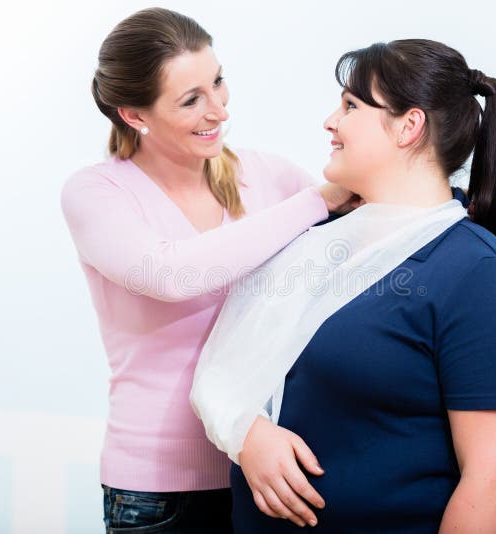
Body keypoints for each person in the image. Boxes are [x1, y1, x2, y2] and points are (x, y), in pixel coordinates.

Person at [191, 39, 496, 533]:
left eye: (351, 106)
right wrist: (248, 433)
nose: (330, 121)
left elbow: (494, 482)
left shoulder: (481, 277)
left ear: (408, 126)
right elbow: (236, 366)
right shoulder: (319, 240)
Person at [60, 8, 358, 533]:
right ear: (134, 115)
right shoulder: (98, 194)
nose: (219, 110)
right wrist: (317, 200)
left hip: (269, 472)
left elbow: (363, 244)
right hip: (158, 492)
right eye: (191, 100)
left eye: (218, 82)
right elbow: (172, 275)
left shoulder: (271, 178)